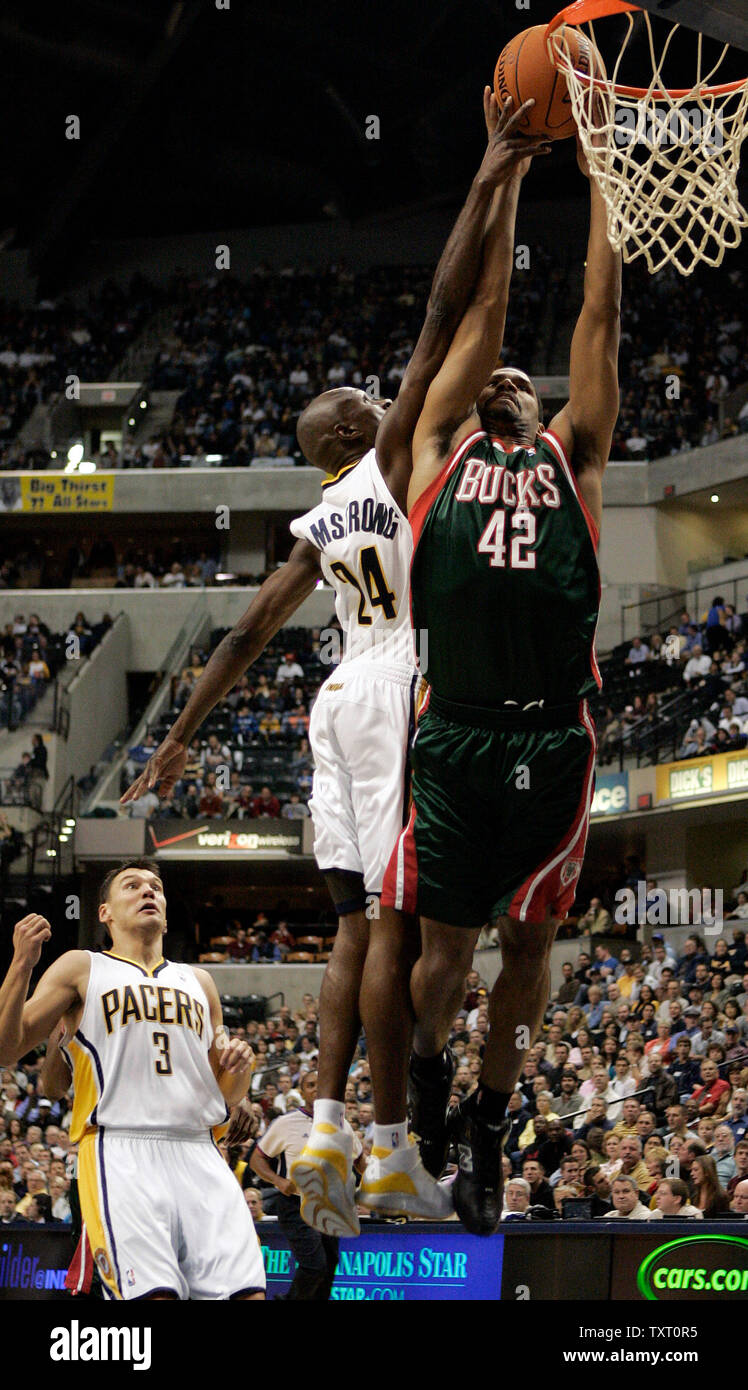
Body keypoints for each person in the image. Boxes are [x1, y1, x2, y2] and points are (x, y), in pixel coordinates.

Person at [119, 98, 535, 1243]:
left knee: (350, 927)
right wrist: (489, 181)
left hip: (334, 702)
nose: (376, 388)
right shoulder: (386, 452)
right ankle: (394, 1143)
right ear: (349, 431)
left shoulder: (311, 525)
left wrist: (179, 735)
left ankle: (319, 1120)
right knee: (397, 923)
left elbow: (248, 635)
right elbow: (453, 312)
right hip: (399, 686)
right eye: (363, 396)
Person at [377, 103, 622, 1234]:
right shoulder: (433, 446)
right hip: (455, 725)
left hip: (550, 735)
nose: (508, 375)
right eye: (496, 373)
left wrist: (610, 178)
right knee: (443, 952)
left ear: (544, 407)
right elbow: (477, 303)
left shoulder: (576, 454)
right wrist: (509, 169)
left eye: (528, 377)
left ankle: (486, 1113)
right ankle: (426, 1087)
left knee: (528, 944)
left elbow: (598, 318)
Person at [0, 859, 265, 1301]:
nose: (148, 892)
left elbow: (228, 1093)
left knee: (247, 1295)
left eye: (156, 887)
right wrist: (21, 965)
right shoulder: (80, 967)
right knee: (154, 1296)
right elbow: (7, 1050)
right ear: (104, 912)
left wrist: (242, 1066)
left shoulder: (199, 981)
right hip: (121, 1148)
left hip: (200, 1150)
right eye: (133, 885)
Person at [248, 1071, 362, 1300]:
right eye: (310, 1085)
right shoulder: (286, 1123)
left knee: (329, 1267)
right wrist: (278, 1181)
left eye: (321, 1083)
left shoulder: (342, 1124)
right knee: (314, 1265)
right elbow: (256, 1159)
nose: (316, 1088)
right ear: (301, 1092)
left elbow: (360, 1161)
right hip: (296, 1204)